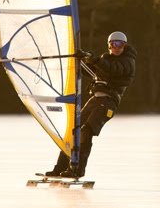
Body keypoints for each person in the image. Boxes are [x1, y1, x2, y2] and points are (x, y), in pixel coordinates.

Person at [45, 31, 137, 179]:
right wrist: (80, 60)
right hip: (95, 99)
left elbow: (113, 69)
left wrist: (94, 59)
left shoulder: (127, 61)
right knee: (73, 130)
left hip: (108, 102)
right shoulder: (106, 59)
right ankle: (59, 168)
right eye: (113, 44)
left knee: (86, 131)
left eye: (120, 44)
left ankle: (77, 170)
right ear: (109, 45)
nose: (117, 47)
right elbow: (92, 70)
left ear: (124, 46)